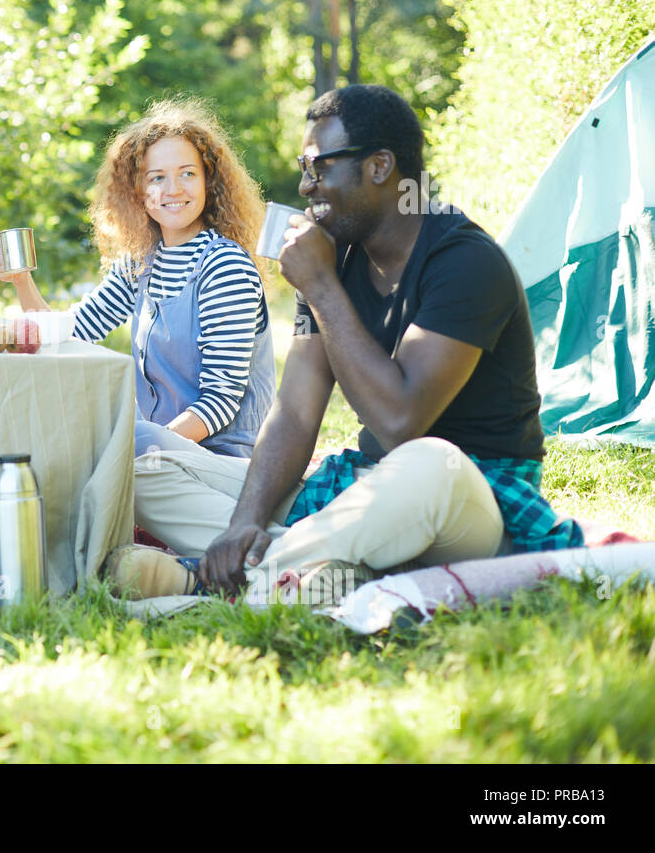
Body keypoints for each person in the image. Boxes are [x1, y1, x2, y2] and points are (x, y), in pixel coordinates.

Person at [123, 84, 583, 602]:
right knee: (142, 471)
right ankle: (307, 572)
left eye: (318, 168)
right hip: (362, 488)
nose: (304, 186)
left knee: (430, 461)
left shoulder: (465, 263)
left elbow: (400, 422)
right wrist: (243, 522)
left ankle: (211, 577)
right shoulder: (334, 256)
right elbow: (295, 413)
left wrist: (321, 287)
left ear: (380, 166)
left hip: (467, 494)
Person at [0, 97, 275, 458]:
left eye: (187, 173)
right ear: (137, 192)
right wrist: (20, 280)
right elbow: (68, 334)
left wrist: (142, 452)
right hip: (162, 452)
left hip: (224, 459)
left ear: (208, 181)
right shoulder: (140, 263)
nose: (173, 189)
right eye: (157, 178)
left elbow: (221, 399)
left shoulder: (224, 267)